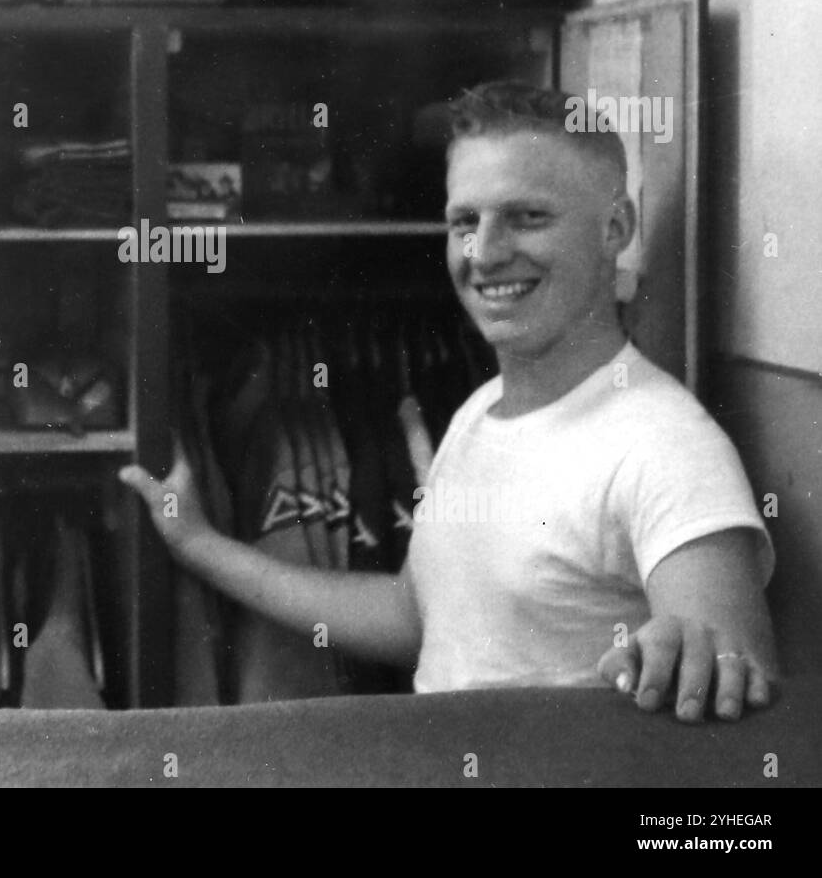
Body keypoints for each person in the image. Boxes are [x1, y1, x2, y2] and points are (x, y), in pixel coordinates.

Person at [120, 81, 776, 722]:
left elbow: (735, 708)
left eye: (528, 217)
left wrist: (692, 658)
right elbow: (413, 616)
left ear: (616, 227)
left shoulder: (668, 446)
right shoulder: (478, 412)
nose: (484, 253)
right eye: (465, 220)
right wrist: (198, 543)